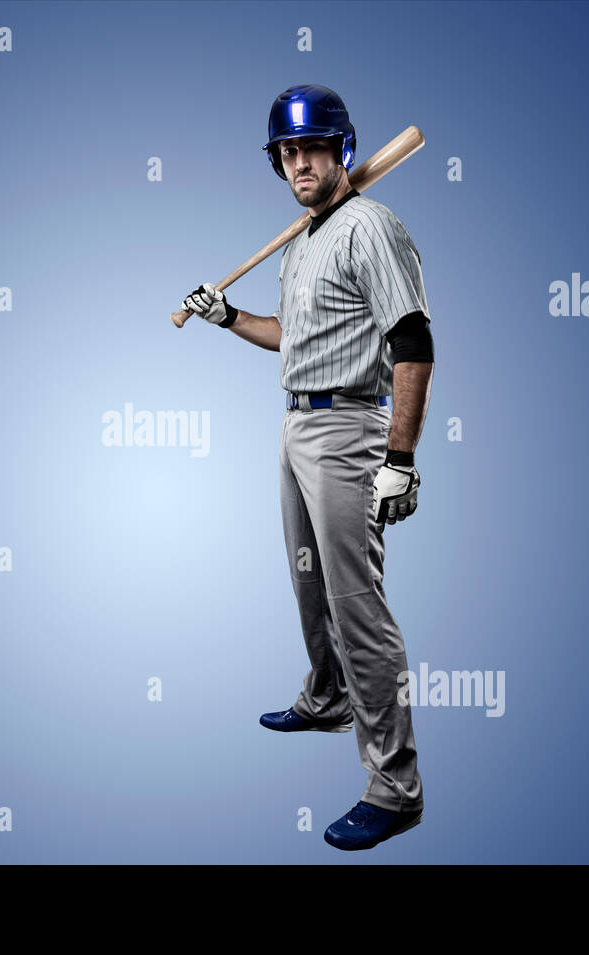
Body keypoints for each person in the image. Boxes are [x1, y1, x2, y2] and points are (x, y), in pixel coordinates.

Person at [180, 84, 435, 852]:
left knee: (358, 604)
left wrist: (400, 457)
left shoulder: (370, 226)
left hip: (350, 431)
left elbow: (415, 342)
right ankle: (327, 697)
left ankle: (396, 787)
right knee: (307, 580)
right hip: (296, 420)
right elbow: (290, 337)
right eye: (287, 152)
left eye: (312, 148)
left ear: (341, 150)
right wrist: (227, 318)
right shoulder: (303, 239)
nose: (299, 162)